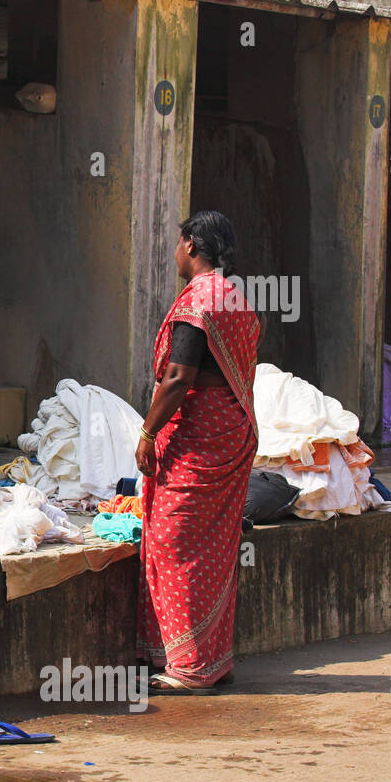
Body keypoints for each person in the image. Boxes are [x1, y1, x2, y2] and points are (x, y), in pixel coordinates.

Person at [135, 211, 261, 695]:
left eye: (177, 243)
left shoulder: (200, 304)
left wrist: (148, 433)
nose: (174, 253)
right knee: (214, 549)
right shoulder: (239, 300)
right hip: (233, 433)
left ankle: (190, 666)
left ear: (191, 245)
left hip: (201, 440)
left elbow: (178, 377)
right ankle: (211, 659)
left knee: (174, 542)